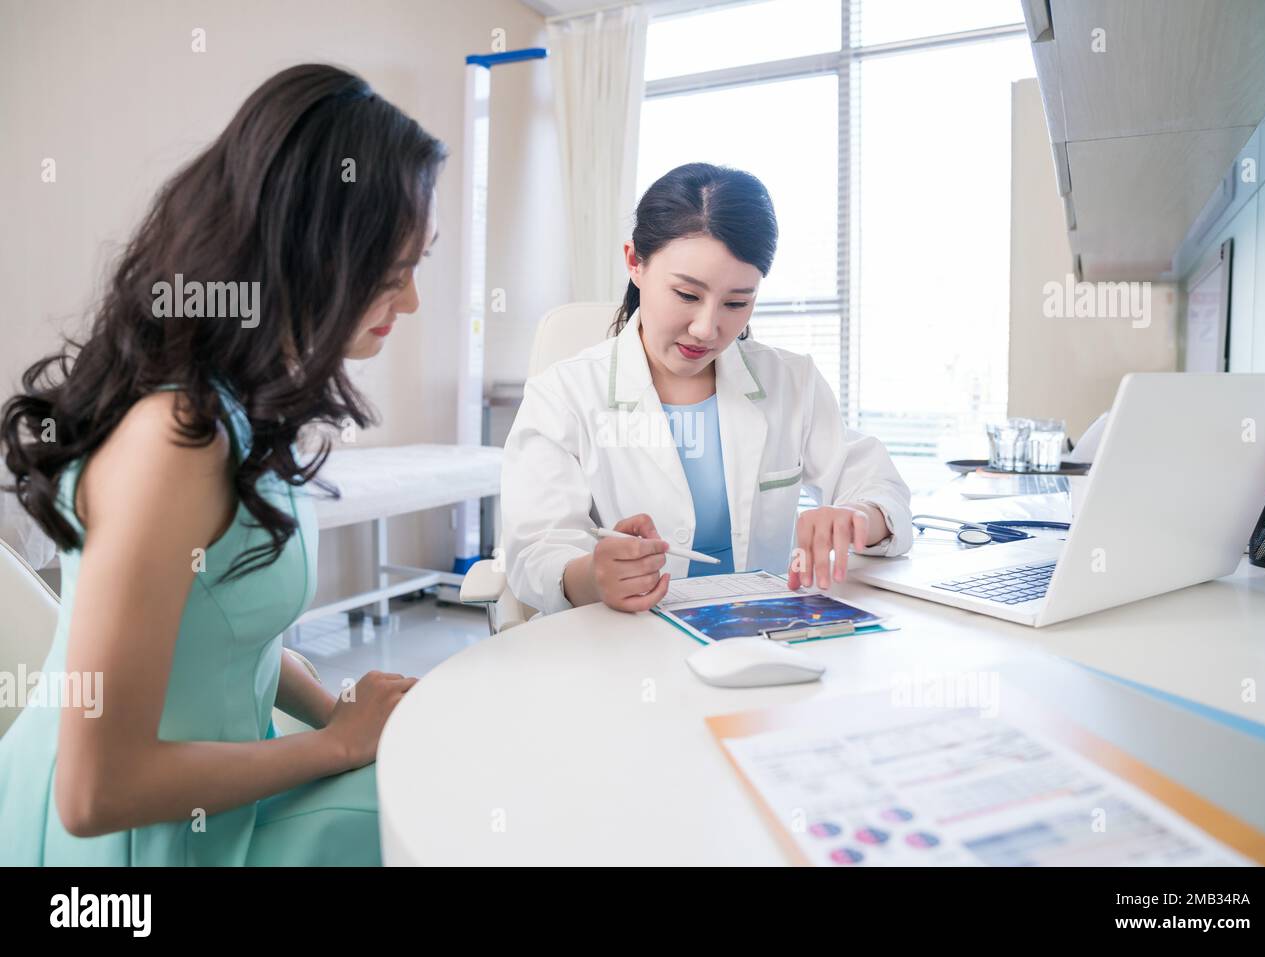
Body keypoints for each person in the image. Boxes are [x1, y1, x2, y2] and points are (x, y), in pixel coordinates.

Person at [0, 63, 446, 865]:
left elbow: (236, 639)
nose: (410, 301)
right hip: (123, 848)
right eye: (392, 273)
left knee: (427, 789)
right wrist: (338, 744)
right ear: (310, 254)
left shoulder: (243, 405)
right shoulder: (176, 439)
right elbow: (93, 792)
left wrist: (346, 711)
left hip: (205, 789)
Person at [502, 162, 912, 616]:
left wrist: (858, 518)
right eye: (687, 295)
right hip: (624, 645)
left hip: (762, 635)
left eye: (737, 303)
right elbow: (535, 552)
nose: (707, 328)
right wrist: (594, 575)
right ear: (635, 262)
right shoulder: (563, 394)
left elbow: (877, 485)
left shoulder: (789, 381)